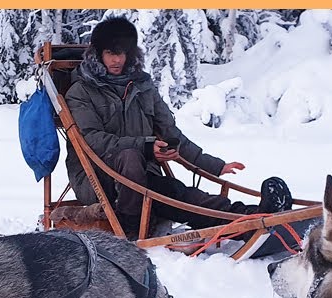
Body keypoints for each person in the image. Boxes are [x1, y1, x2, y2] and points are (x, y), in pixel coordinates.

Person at [63, 16, 294, 246]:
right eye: (110, 53)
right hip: (97, 179)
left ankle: (253, 218)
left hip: (141, 177)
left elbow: (171, 133)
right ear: (98, 55)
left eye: (121, 53)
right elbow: (93, 141)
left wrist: (214, 165)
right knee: (132, 158)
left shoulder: (143, 86)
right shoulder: (81, 92)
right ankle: (129, 228)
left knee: (183, 197)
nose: (116, 60)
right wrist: (145, 148)